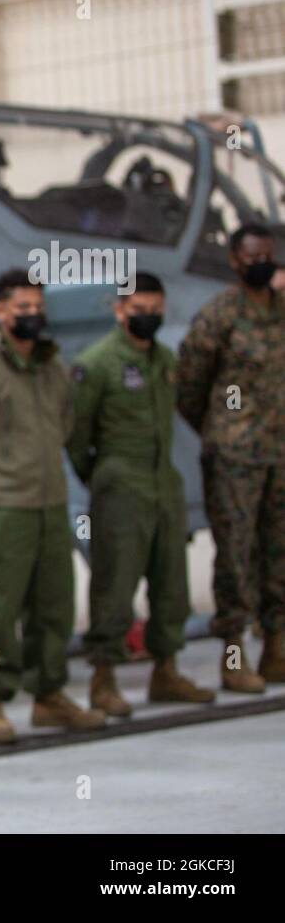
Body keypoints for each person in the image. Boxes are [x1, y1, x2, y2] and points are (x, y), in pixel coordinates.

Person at [0, 269, 105, 742]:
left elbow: (65, 423)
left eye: (37, 306)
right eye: (21, 307)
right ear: (0, 311)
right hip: (1, 509)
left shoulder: (52, 366)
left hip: (50, 505)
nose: (32, 315)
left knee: (55, 608)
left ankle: (50, 696)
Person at [69, 272, 214, 713]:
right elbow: (76, 437)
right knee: (115, 583)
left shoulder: (166, 360)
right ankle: (103, 678)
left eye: (155, 311)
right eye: (139, 311)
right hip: (120, 488)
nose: (148, 318)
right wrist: (104, 476)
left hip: (163, 485)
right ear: (119, 311)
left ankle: (166, 670)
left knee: (172, 582)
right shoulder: (96, 364)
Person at [176, 224, 285, 690]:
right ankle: (234, 656)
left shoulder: (282, 312)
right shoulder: (218, 316)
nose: (261, 262)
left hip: (279, 453)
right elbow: (190, 387)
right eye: (251, 255)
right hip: (235, 457)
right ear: (235, 261)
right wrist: (224, 429)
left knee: (278, 554)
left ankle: (277, 648)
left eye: (268, 254)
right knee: (235, 558)